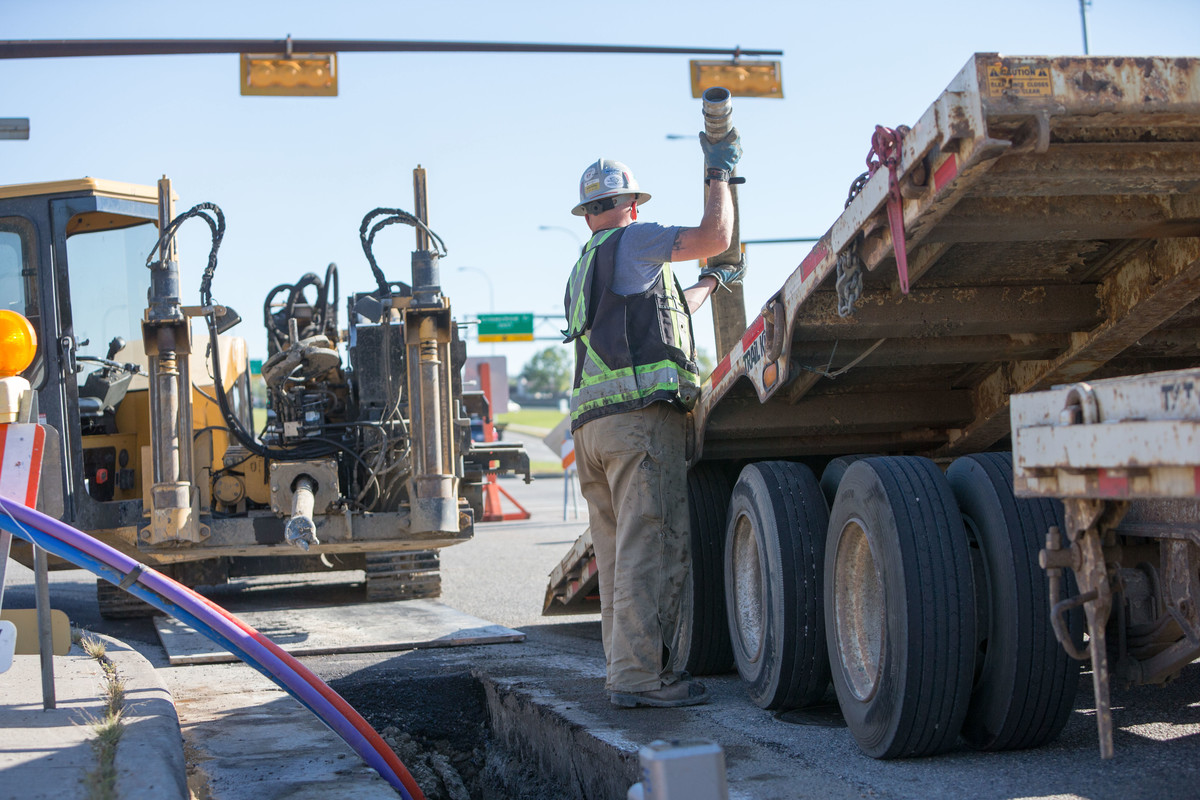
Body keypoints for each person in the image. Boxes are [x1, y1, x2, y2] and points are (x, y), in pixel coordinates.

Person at [562, 130, 743, 708]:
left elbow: (663, 313)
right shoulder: (637, 239)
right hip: (639, 425)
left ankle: (624, 673)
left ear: (587, 212)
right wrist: (720, 168)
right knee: (652, 547)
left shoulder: (589, 262)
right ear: (631, 204)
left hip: (595, 430)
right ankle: (641, 678)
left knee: (618, 557)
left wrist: (713, 283)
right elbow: (717, 235)